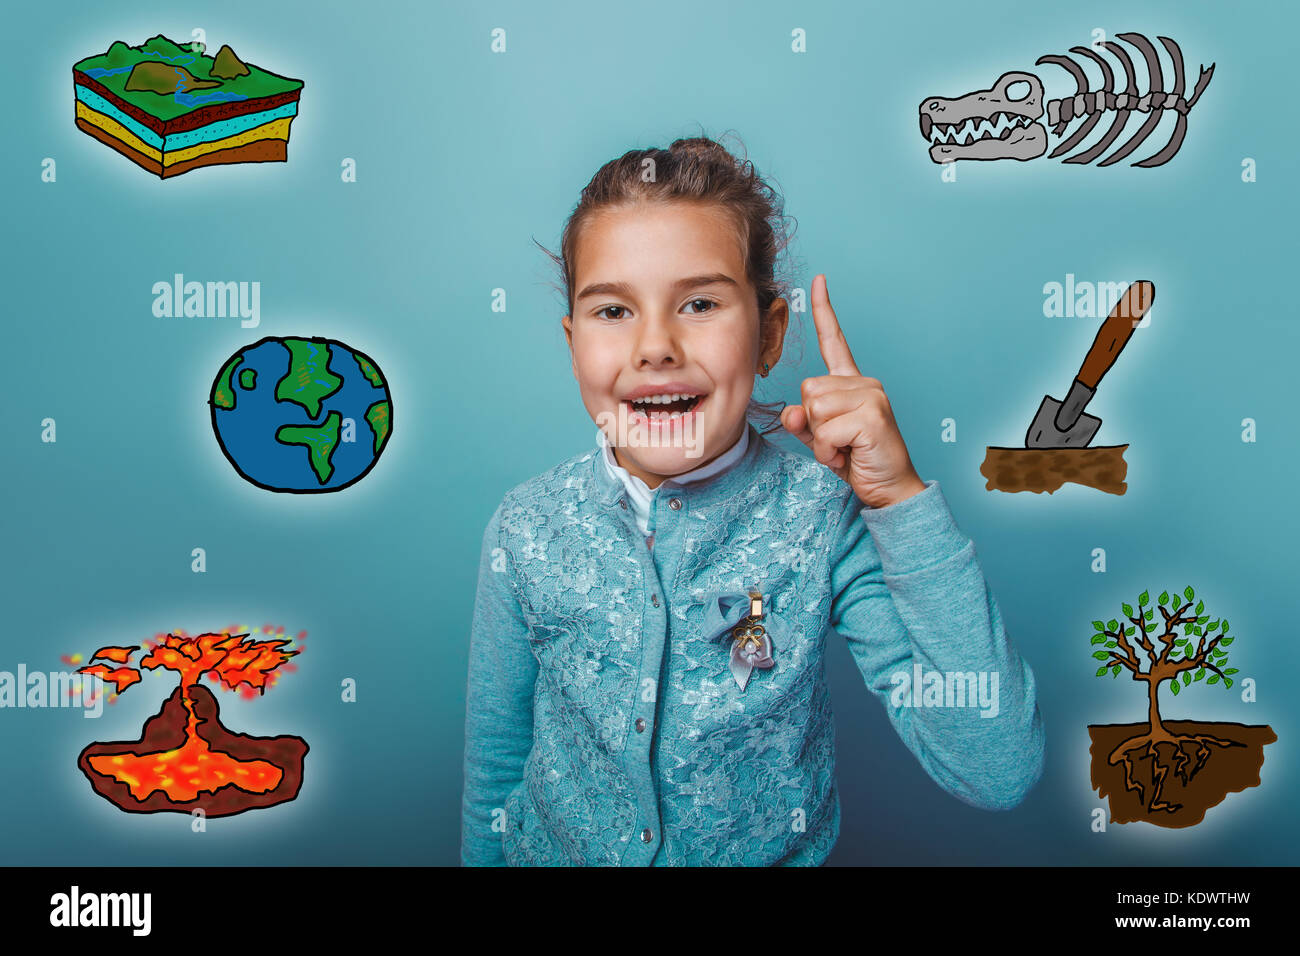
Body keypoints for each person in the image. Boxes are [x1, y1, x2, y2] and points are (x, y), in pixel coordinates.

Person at [461, 134, 1045, 866]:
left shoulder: (822, 517)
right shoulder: (525, 528)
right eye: (613, 312)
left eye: (699, 302)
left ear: (770, 335)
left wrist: (899, 500)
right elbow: (496, 769)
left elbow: (998, 768)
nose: (655, 347)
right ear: (572, 342)